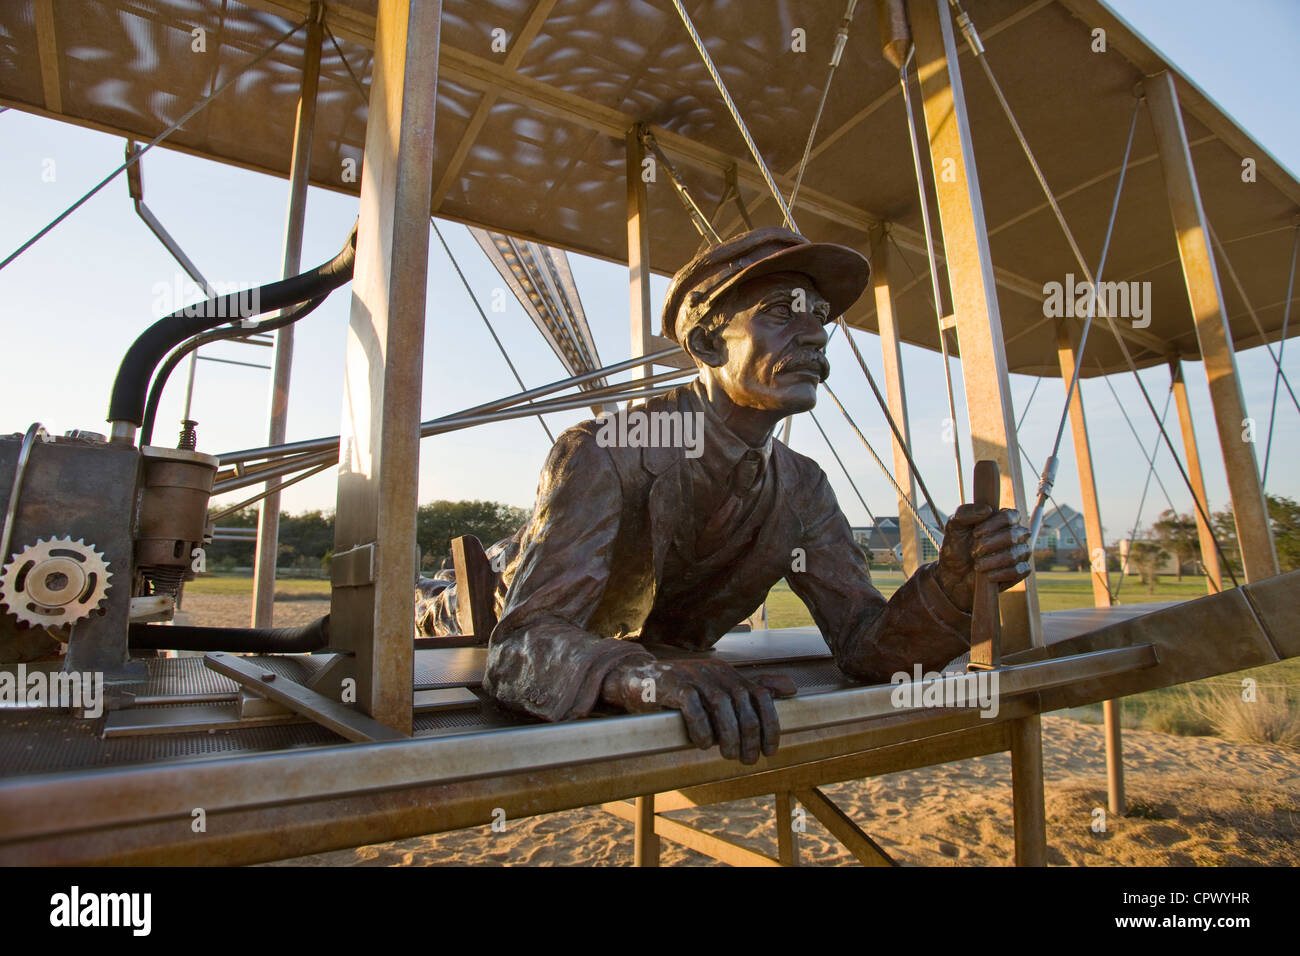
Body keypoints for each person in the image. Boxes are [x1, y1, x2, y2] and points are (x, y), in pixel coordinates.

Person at [417, 227, 1032, 765]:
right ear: (710, 347)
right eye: (780, 313)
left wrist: (951, 586)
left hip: (634, 641)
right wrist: (648, 679)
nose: (815, 335)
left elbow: (867, 647)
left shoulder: (805, 487)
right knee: (418, 609)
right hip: (489, 595)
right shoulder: (607, 450)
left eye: (819, 316)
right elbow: (520, 644)